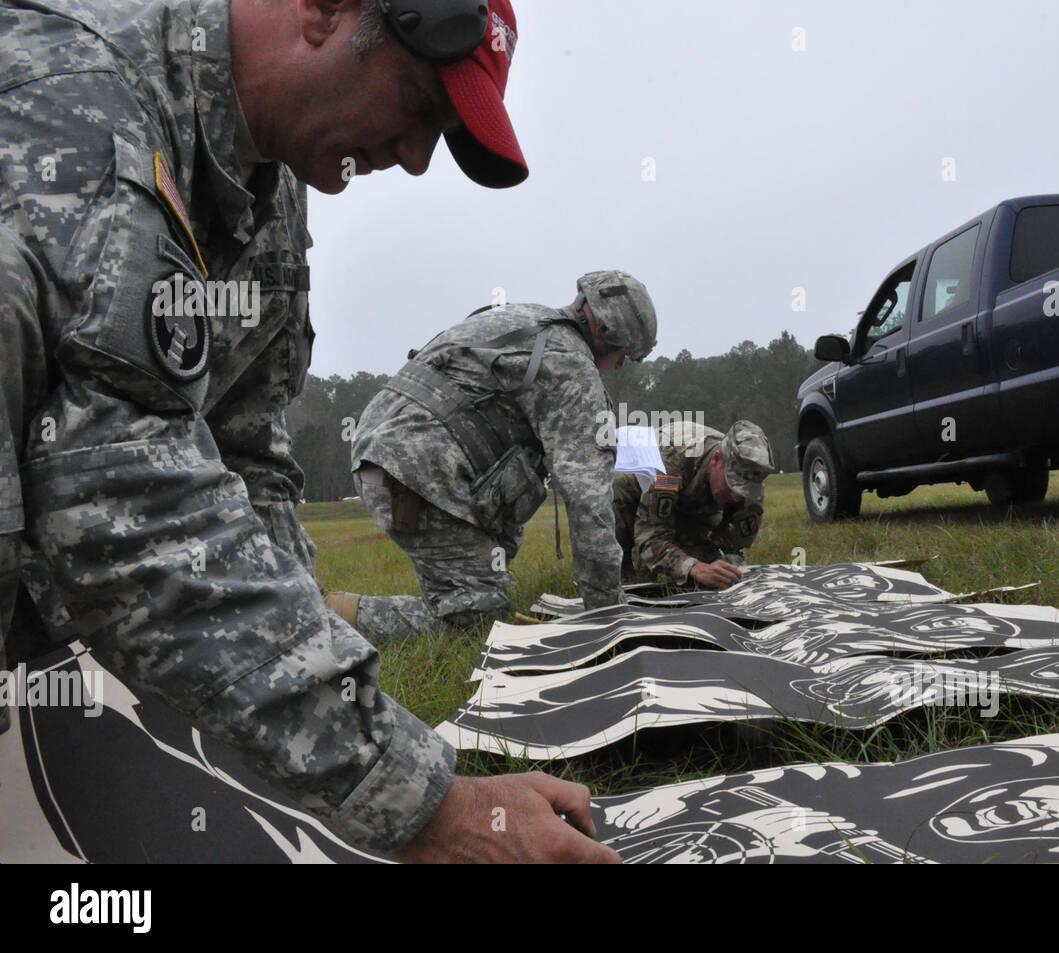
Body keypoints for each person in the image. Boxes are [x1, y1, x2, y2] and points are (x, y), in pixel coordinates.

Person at [0, 0, 618, 862]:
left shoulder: (268, 195)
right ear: (325, 11)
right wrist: (426, 803)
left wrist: (313, 734)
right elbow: (124, 508)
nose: (413, 155)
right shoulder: (78, 103)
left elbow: (249, 459)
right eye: (416, 102)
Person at [331, 270, 657, 642]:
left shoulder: (522, 318)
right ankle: (324, 617)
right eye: (623, 357)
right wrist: (607, 615)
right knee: (477, 624)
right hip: (423, 474)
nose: (618, 366)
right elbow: (588, 500)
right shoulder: (572, 369)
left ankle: (452, 595)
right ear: (607, 334)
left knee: (477, 585)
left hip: (390, 456)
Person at [614, 420, 776, 588]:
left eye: (745, 491)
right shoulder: (671, 467)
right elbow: (650, 539)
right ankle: (622, 572)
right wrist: (694, 568)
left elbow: (733, 546)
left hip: (692, 500)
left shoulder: (750, 479)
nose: (736, 498)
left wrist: (728, 566)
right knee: (620, 492)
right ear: (716, 460)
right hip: (639, 486)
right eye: (731, 485)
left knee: (708, 561)